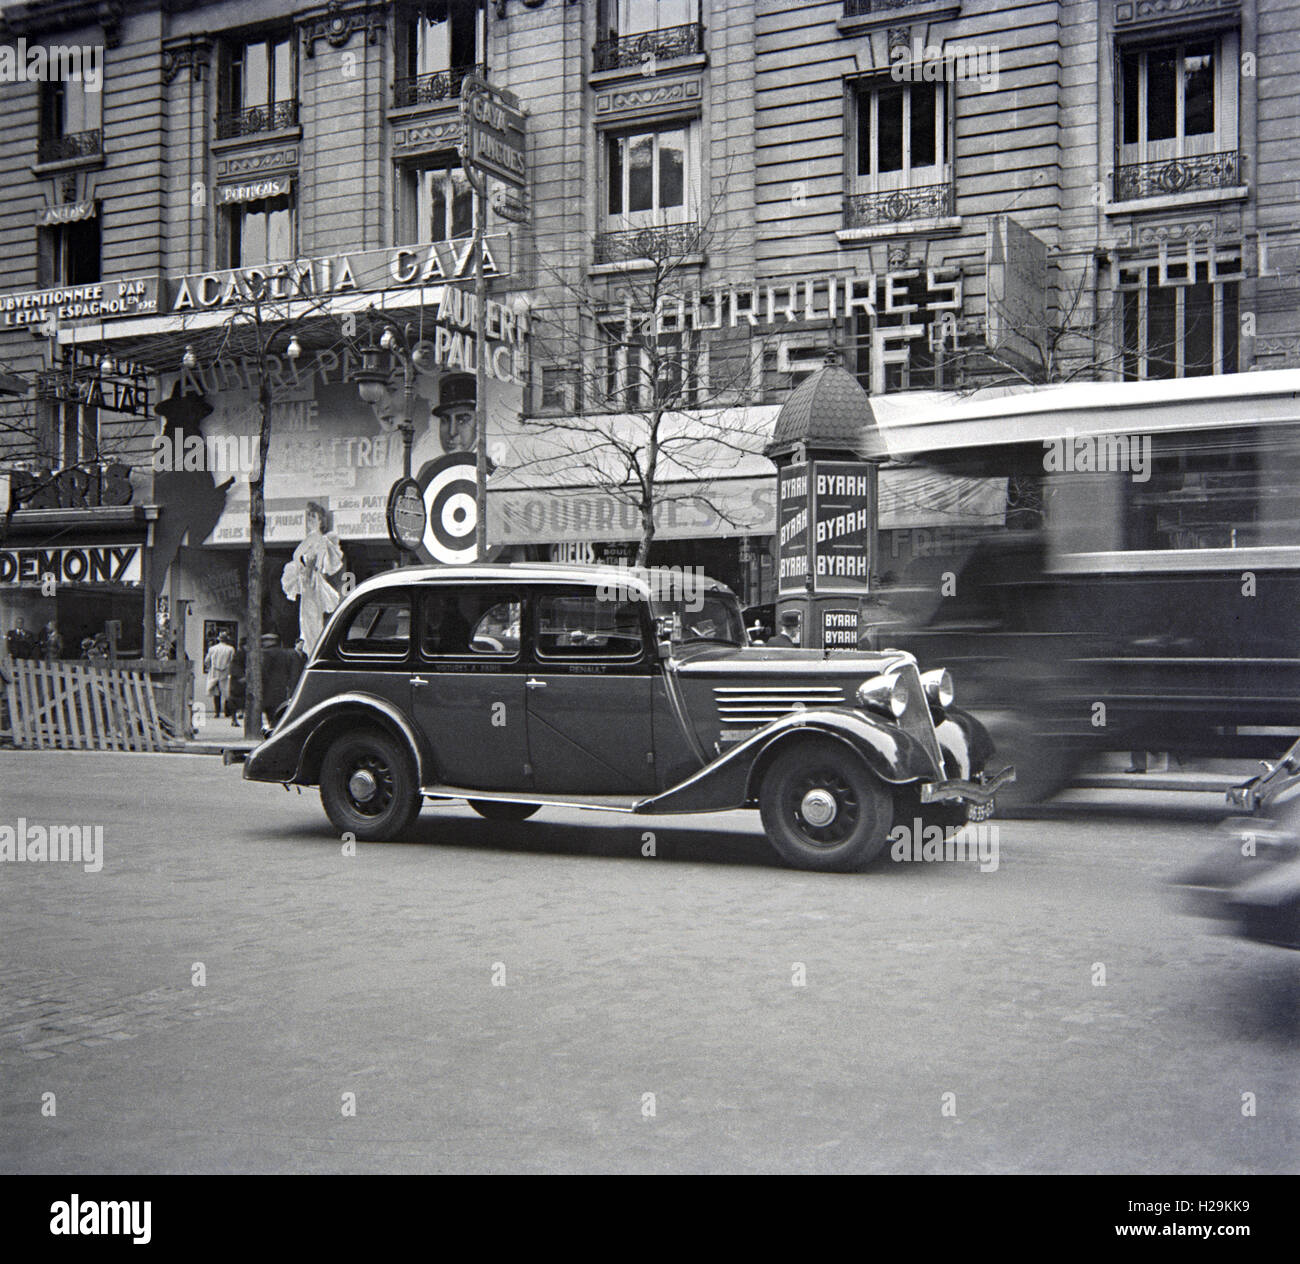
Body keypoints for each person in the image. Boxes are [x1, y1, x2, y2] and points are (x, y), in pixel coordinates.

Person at [281, 501, 344, 654]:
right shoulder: (314, 538)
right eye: (309, 517)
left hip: (312, 580)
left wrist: (309, 568)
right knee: (310, 616)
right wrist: (301, 567)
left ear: (321, 521)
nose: (310, 520)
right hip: (308, 580)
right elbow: (296, 555)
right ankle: (312, 647)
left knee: (311, 616)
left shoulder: (319, 538)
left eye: (314, 517)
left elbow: (318, 562)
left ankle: (313, 648)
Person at [204, 630, 235, 718]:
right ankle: (226, 712)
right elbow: (232, 661)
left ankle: (217, 712)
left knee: (216, 692)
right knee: (226, 692)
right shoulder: (230, 649)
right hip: (225, 672)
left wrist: (210, 667)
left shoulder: (212, 649)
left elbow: (206, 661)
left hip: (214, 672)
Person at [226, 637, 247, 725]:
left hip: (237, 679)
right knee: (237, 698)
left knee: (235, 699)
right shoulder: (241, 654)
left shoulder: (240, 653)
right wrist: (242, 676)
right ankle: (236, 717)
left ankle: (235, 718)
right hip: (239, 679)